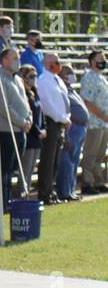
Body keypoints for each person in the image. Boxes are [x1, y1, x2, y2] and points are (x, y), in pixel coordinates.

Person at [0, 47, 32, 209]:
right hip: (6, 131)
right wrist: (22, 122)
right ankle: (2, 202)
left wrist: (29, 118)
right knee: (5, 170)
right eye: (15, 58)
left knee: (13, 169)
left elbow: (26, 102)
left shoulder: (17, 79)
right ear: (4, 60)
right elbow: (3, 107)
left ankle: (9, 200)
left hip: (20, 130)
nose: (18, 61)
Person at [35, 51, 70, 204]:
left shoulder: (58, 80)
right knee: (48, 160)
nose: (58, 64)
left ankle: (51, 190)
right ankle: (44, 192)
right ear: (47, 63)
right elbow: (47, 105)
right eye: (55, 61)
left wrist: (66, 118)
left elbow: (64, 100)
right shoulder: (43, 80)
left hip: (61, 122)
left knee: (55, 159)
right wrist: (62, 118)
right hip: (51, 122)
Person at [79, 47, 108, 194]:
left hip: (104, 123)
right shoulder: (88, 77)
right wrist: (102, 115)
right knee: (91, 153)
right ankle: (87, 183)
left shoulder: (102, 78)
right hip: (94, 122)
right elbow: (87, 101)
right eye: (100, 60)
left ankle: (98, 181)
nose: (104, 62)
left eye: (104, 59)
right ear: (92, 62)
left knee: (100, 154)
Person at [57, 64, 87, 201]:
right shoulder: (61, 90)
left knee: (74, 162)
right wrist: (67, 137)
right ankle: (65, 192)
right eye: (68, 72)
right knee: (67, 162)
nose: (72, 74)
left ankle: (71, 189)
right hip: (71, 129)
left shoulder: (71, 90)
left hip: (80, 129)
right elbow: (64, 113)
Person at [19, 64, 46, 193]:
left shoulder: (35, 92)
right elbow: (27, 114)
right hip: (30, 136)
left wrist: (44, 129)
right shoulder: (23, 94)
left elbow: (41, 113)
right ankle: (22, 194)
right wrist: (37, 131)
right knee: (25, 169)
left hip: (38, 137)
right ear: (23, 78)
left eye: (35, 76)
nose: (34, 78)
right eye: (31, 76)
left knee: (31, 169)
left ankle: (27, 193)